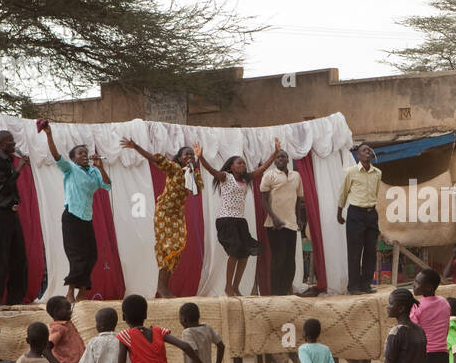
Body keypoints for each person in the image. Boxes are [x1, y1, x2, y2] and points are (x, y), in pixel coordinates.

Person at [119, 138, 204, 298]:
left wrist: (192, 171)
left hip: (177, 215)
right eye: (186, 155)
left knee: (177, 247)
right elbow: (156, 159)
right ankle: (163, 288)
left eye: (192, 155)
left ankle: (163, 286)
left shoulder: (193, 174)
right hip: (164, 212)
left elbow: (196, 192)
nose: (189, 157)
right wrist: (136, 146)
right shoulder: (174, 169)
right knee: (168, 247)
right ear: (179, 159)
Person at [198, 138, 282, 297]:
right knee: (235, 253)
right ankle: (227, 287)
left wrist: (275, 152)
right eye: (239, 163)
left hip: (240, 221)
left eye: (243, 163)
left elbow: (263, 167)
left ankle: (236, 286)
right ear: (231, 166)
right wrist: (201, 157)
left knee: (245, 254)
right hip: (226, 220)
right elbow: (212, 171)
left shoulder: (246, 179)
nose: (242, 165)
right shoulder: (225, 177)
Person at [40, 119, 111, 302]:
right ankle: (71, 292)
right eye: (80, 153)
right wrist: (49, 134)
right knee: (77, 256)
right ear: (73, 158)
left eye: (86, 153)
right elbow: (56, 155)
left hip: (86, 218)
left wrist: (101, 168)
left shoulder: (94, 172)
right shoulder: (70, 169)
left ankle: (83, 292)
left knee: (91, 256)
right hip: (72, 216)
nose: (85, 155)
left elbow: (108, 185)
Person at [0, 130, 31, 306]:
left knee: (18, 258)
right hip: (0, 213)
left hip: (12, 213)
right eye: (10, 141)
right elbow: (3, 186)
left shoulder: (9, 160)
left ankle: (15, 298)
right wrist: (20, 168)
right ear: (2, 144)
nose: (14, 143)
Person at [337, 144, 382, 294]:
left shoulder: (377, 173)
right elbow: (343, 192)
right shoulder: (351, 172)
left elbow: (375, 193)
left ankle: (366, 284)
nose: (368, 152)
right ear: (358, 155)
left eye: (369, 149)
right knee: (355, 252)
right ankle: (353, 286)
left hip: (371, 214)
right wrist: (339, 212)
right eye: (364, 150)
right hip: (355, 214)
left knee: (371, 251)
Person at [260, 148, 306, 296]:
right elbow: (264, 200)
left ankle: (286, 288)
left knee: (290, 258)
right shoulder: (269, 175)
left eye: (283, 157)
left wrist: (298, 218)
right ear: (274, 161)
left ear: (287, 160)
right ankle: (276, 291)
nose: (280, 159)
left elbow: (299, 199)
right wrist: (274, 218)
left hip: (291, 223)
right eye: (278, 157)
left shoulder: (296, 176)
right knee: (278, 258)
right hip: (275, 224)